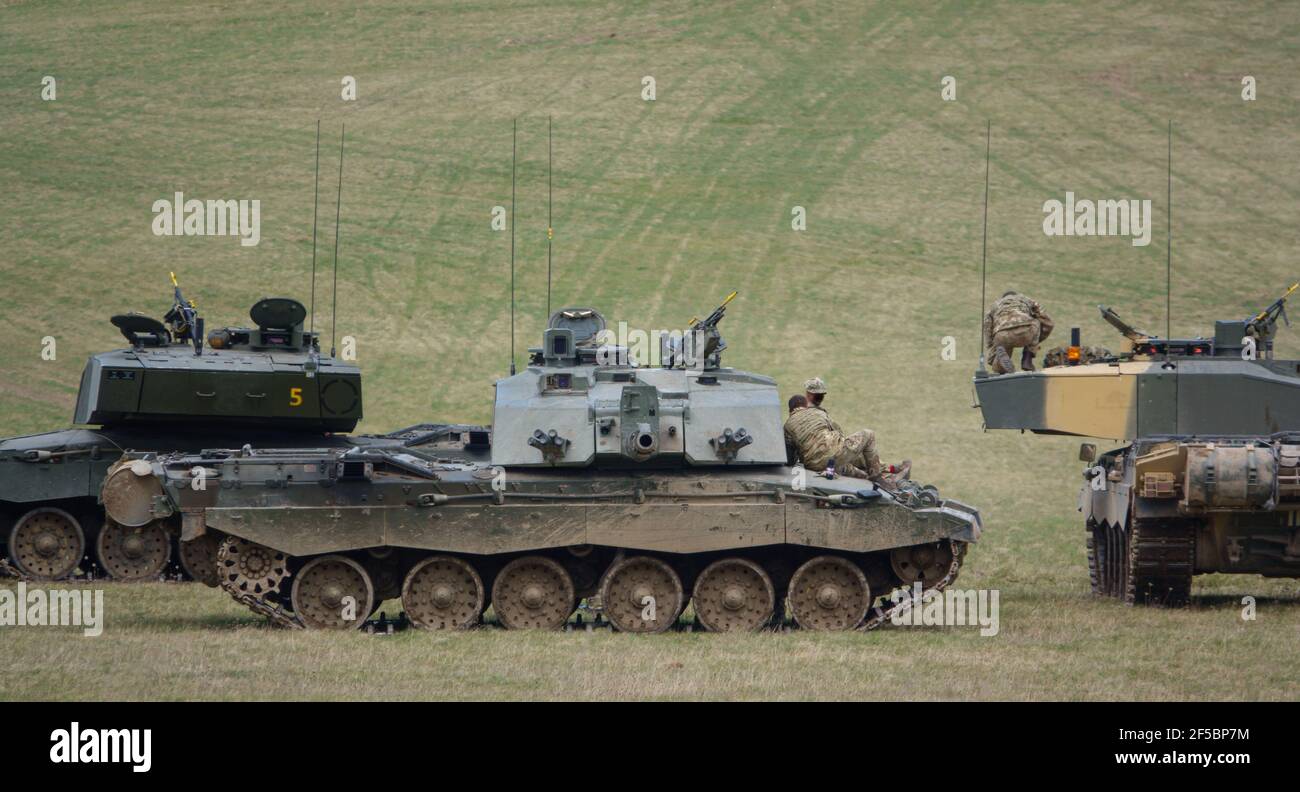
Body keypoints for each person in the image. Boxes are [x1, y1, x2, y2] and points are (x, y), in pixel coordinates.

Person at [784, 377, 908, 481]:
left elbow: (790, 458)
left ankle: (887, 472)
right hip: (834, 456)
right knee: (867, 436)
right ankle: (880, 477)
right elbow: (838, 432)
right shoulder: (818, 413)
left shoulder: (788, 425)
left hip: (813, 465)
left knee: (850, 466)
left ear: (790, 410)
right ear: (805, 405)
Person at [983, 290, 1054, 374]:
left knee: (1000, 356)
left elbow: (987, 327)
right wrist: (1037, 341)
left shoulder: (995, 305)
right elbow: (1048, 322)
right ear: (1016, 296)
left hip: (1002, 334)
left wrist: (992, 348)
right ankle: (1027, 359)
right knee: (1037, 322)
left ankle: (1000, 365)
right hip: (1025, 329)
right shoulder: (1025, 300)